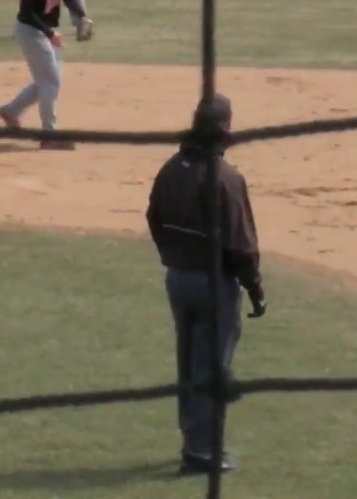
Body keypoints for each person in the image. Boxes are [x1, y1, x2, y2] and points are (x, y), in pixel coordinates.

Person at [145, 93, 267, 475]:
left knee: (188, 361)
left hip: (178, 279)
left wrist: (173, 257)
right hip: (214, 284)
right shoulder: (226, 178)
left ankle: (192, 440)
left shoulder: (170, 169)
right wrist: (255, 288)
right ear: (225, 128)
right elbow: (241, 245)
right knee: (211, 368)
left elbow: (154, 218)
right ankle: (202, 451)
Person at [0, 0, 92, 150]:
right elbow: (28, 12)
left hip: (47, 31)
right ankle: (49, 135)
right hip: (30, 31)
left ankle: (11, 111)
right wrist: (50, 34)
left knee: (48, 80)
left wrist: (81, 15)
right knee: (51, 82)